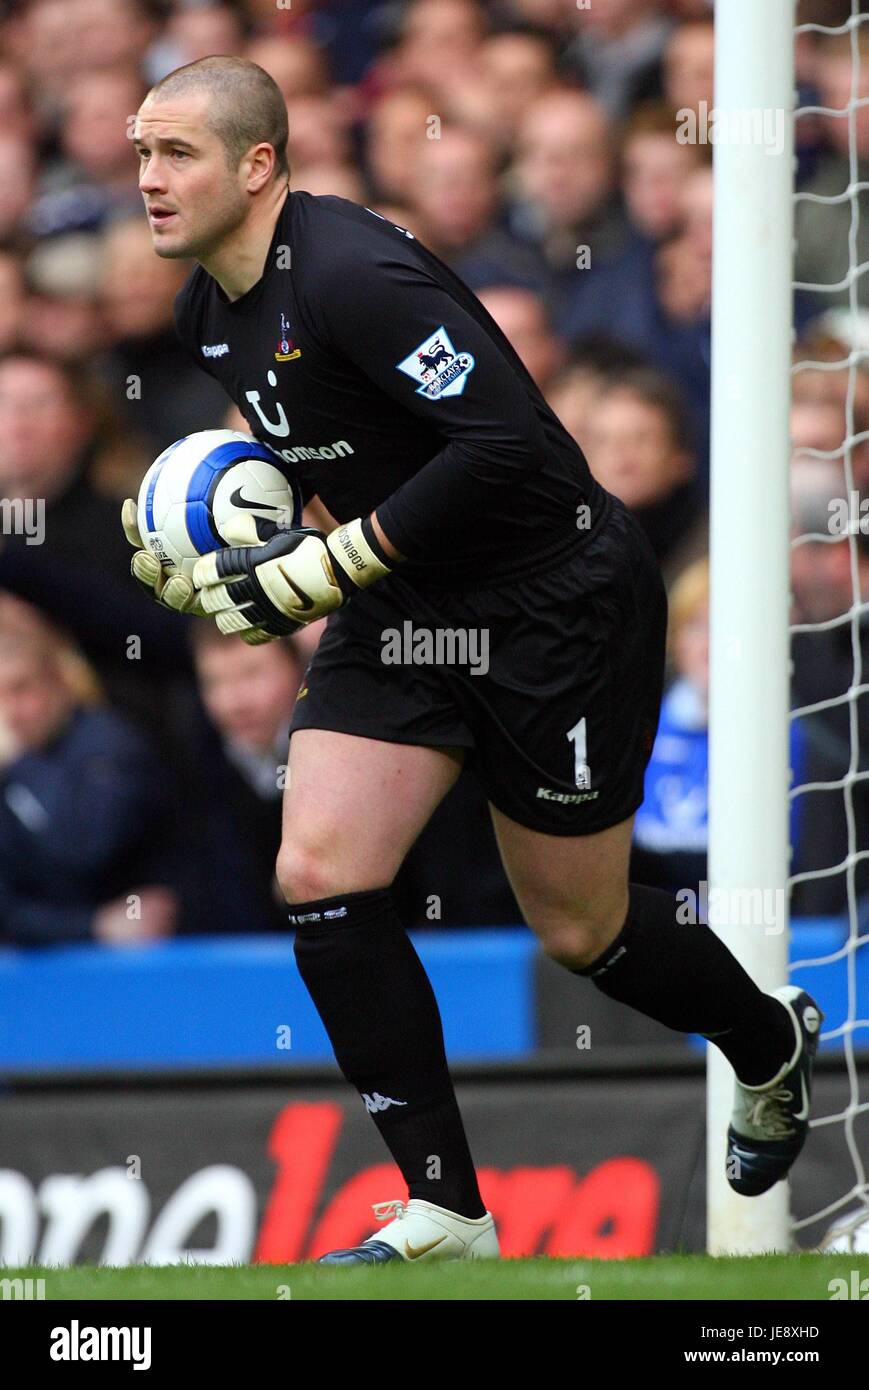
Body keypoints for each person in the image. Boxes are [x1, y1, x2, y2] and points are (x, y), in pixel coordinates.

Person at [123, 55, 823, 1264]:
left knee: (581, 929)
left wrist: (332, 566)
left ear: (259, 163)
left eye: (174, 152)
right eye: (139, 153)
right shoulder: (202, 311)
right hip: (404, 597)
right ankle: (449, 1209)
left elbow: (504, 446)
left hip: (554, 596)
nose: (148, 178)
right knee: (320, 868)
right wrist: (229, 552)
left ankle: (764, 1042)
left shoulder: (354, 271)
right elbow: (331, 453)